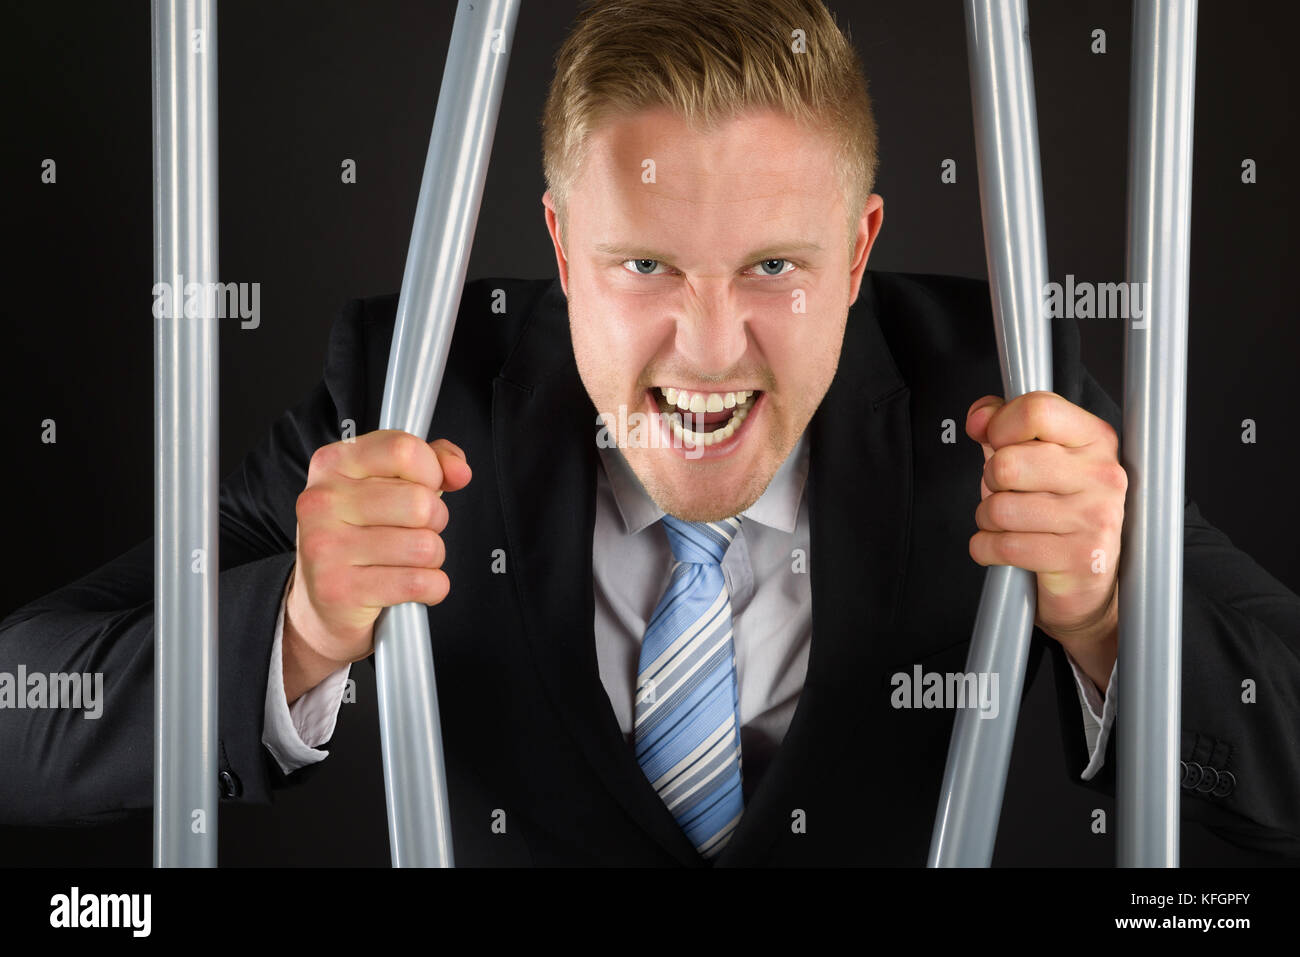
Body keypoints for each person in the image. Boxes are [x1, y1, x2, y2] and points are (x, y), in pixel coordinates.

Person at [2, 0, 1298, 865]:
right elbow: (23, 705)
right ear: (563, 247)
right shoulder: (409, 393)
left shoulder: (1013, 393)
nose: (711, 347)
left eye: (776, 265)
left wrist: (1115, 618)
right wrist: (297, 624)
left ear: (860, 252)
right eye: (646, 267)